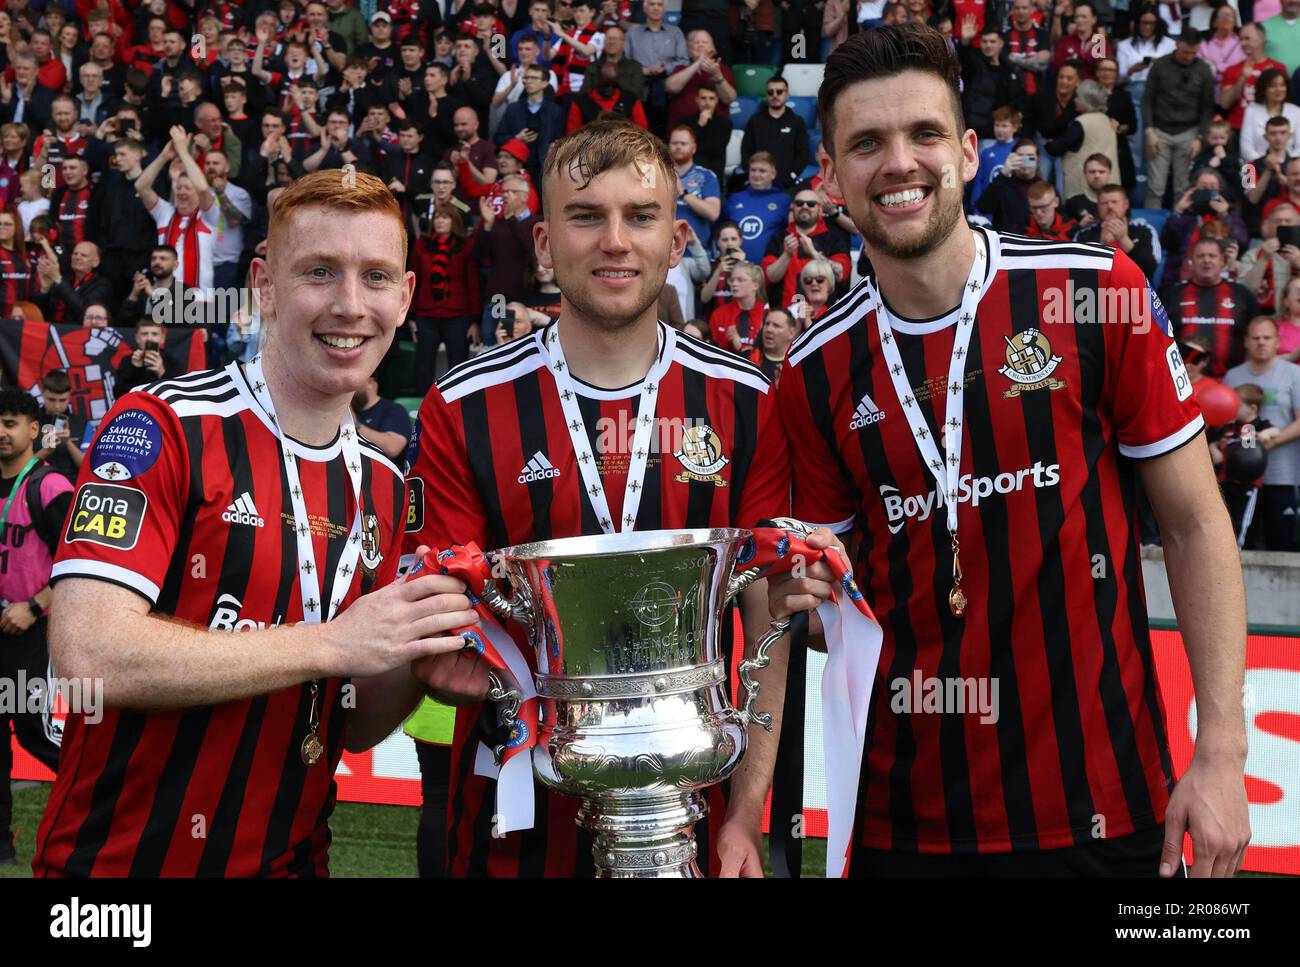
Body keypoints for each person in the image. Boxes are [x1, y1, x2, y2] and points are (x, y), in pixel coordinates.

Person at [745, 23, 1250, 880]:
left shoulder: (1097, 294)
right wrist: (801, 592)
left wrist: (1224, 752)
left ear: (970, 152)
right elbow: (830, 613)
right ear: (829, 176)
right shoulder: (813, 372)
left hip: (1105, 812)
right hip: (899, 825)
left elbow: (1201, 528)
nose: (898, 162)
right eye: (866, 143)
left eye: (924, 134)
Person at [31, 169, 478, 878]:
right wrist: (328, 643)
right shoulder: (161, 424)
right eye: (320, 272)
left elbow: (354, 724)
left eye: (377, 276)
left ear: (407, 296)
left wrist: (419, 665)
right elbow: (88, 654)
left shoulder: (389, 486)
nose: (351, 305)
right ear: (265, 284)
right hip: (116, 879)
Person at [403, 120, 790, 878]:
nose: (615, 240)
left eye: (639, 216)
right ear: (544, 245)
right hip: (513, 828)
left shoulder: (745, 400)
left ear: (677, 240)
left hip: (696, 812)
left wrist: (745, 814)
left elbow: (767, 619)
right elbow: (436, 610)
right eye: (586, 216)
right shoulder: (464, 404)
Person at [0, 388, 72, 865]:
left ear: (32, 430)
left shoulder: (49, 486)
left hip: (30, 627)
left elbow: (78, 559)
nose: (2, 432)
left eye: (11, 423)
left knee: (33, 730)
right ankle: (1, 845)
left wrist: (32, 605)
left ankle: (104, 798)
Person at [1225, 316, 1300, 551]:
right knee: (1240, 542)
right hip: (1240, 478)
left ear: (1277, 341)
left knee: (1283, 543)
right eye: (1255, 337)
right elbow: (1223, 422)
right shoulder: (1232, 377)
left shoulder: (1293, 374)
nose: (1261, 342)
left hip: (1282, 474)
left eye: (1267, 337)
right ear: (1246, 342)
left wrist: (1268, 442)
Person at [1160, 238, 1257, 378]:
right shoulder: (1171, 294)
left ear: (1222, 260)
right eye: (1200, 256)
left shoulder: (1242, 294)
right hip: (1182, 382)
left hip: (1230, 381)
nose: (1206, 260)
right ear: (1191, 262)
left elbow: (1256, 334)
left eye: (1212, 256)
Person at [1142, 27, 1217, 208]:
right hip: (1160, 130)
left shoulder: (1203, 69)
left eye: (1193, 53)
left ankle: (1180, 226)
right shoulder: (1160, 65)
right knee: (1155, 186)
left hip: (1189, 131)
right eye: (1185, 52)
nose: (1188, 56)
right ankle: (1151, 226)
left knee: (1183, 187)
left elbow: (1207, 108)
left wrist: (1200, 137)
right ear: (1176, 45)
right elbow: (1147, 100)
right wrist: (1149, 129)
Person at [410, 204, 481, 392]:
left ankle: (458, 405)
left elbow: (472, 284)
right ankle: (422, 409)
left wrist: (475, 320)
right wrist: (411, 317)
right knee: (423, 365)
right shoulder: (421, 244)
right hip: (426, 314)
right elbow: (414, 281)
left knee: (458, 365)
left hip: (458, 314)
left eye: (445, 217)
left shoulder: (466, 246)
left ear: (454, 221)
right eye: (437, 217)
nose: (440, 221)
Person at [1209, 383, 1280, 544]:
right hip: (1224, 480)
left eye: (1237, 405)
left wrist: (1264, 434)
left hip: (1248, 483)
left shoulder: (1255, 426)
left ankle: (1239, 548)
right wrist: (1215, 449)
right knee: (1224, 517)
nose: (1231, 408)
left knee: (1243, 518)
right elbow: (1214, 443)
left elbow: (1276, 431)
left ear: (1253, 408)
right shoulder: (1229, 426)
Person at [762, 188, 852, 307]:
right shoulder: (778, 239)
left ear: (820, 210)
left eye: (811, 204)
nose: (805, 207)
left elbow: (841, 274)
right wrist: (786, 255)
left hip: (823, 318)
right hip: (785, 318)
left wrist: (814, 254)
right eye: (799, 203)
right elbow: (768, 278)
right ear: (792, 208)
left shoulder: (834, 239)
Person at [1074, 183, 1161, 278]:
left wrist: (1124, 240)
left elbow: (1150, 268)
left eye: (1114, 202)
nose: (1110, 206)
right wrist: (1101, 246)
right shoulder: (1084, 234)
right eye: (1104, 203)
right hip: (1097, 289)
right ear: (1098, 206)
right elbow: (1077, 272)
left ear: (1126, 204)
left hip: (1135, 289)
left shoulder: (1144, 230)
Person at [740, 75, 810, 189]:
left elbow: (803, 153)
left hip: (786, 184)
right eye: (770, 92)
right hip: (758, 182)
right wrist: (753, 174)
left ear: (787, 94)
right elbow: (746, 149)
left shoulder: (797, 121)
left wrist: (792, 175)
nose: (775, 95)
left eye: (779, 91)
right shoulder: (755, 120)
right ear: (766, 95)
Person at [723, 153, 792, 264]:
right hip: (735, 268)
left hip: (769, 270)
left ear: (773, 174)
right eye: (753, 170)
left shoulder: (785, 201)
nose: (756, 174)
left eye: (762, 171)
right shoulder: (734, 198)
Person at [35, 369, 86, 484]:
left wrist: (68, 442)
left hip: (70, 491)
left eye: (63, 400)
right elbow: (20, 467)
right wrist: (46, 451)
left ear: (70, 394)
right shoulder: (31, 423)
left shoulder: (82, 423)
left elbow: (87, 467)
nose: (57, 406)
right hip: (35, 490)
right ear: (42, 392)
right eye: (51, 400)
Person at [352, 373, 413, 463]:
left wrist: (354, 424)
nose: (349, 390)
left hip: (384, 472)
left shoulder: (393, 409)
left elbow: (392, 447)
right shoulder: (351, 410)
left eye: (354, 383)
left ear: (369, 382)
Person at [709, 261, 767, 352]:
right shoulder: (719, 314)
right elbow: (712, 350)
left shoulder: (766, 314)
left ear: (755, 285)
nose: (734, 284)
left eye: (740, 280)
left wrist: (740, 346)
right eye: (731, 280)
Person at [749, 305, 798, 382]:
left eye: (776, 326)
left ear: (791, 332)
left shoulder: (797, 365)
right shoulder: (747, 357)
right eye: (767, 324)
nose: (769, 329)